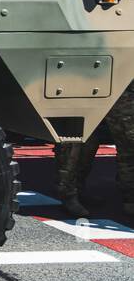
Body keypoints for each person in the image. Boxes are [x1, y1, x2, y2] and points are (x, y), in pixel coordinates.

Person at [54, 84, 134, 219]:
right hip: (86, 85)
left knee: (126, 142)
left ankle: (130, 198)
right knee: (76, 140)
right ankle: (68, 193)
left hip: (123, 88)